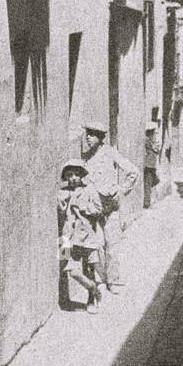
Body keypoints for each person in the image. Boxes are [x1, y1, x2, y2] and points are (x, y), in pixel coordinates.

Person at [84, 129, 140, 293]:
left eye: (92, 135)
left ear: (100, 138)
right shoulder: (87, 158)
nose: (88, 137)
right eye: (87, 134)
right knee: (98, 245)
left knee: (113, 245)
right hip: (95, 209)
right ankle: (102, 278)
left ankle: (113, 280)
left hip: (110, 208)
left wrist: (122, 190)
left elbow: (133, 171)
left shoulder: (110, 153)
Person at [57, 163, 104, 313]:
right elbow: (62, 214)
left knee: (88, 268)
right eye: (69, 175)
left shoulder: (89, 190)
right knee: (69, 270)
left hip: (86, 234)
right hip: (67, 236)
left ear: (81, 175)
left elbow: (98, 210)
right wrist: (62, 202)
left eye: (76, 174)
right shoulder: (62, 192)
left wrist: (84, 208)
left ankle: (91, 300)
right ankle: (93, 287)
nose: (73, 178)